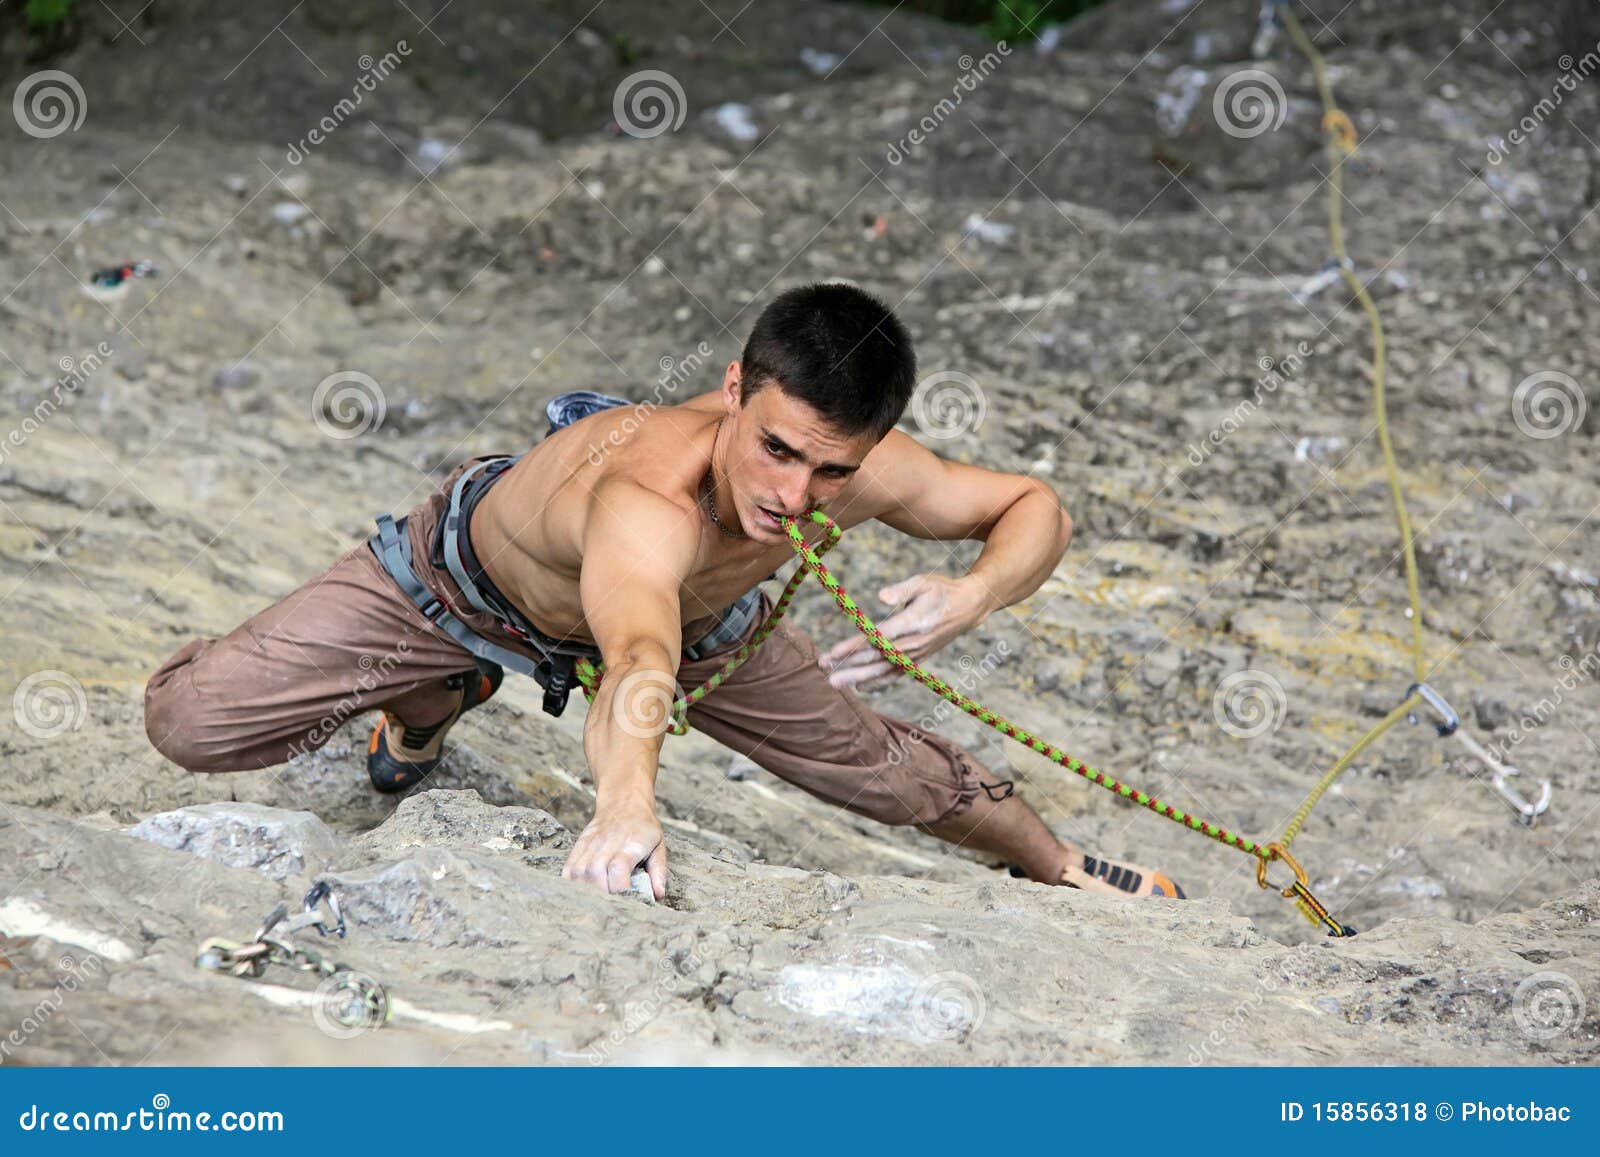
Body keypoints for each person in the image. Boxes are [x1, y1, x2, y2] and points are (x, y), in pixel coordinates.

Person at [143, 282, 1184, 902]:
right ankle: (431, 693)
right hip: (458, 589)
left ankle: (1057, 862)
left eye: (832, 469)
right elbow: (633, 660)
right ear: (734, 389)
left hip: (695, 618)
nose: (795, 495)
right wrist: (625, 808)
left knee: (886, 773)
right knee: (187, 719)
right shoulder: (650, 494)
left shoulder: (862, 465)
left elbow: (1032, 505)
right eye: (775, 449)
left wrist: (976, 592)